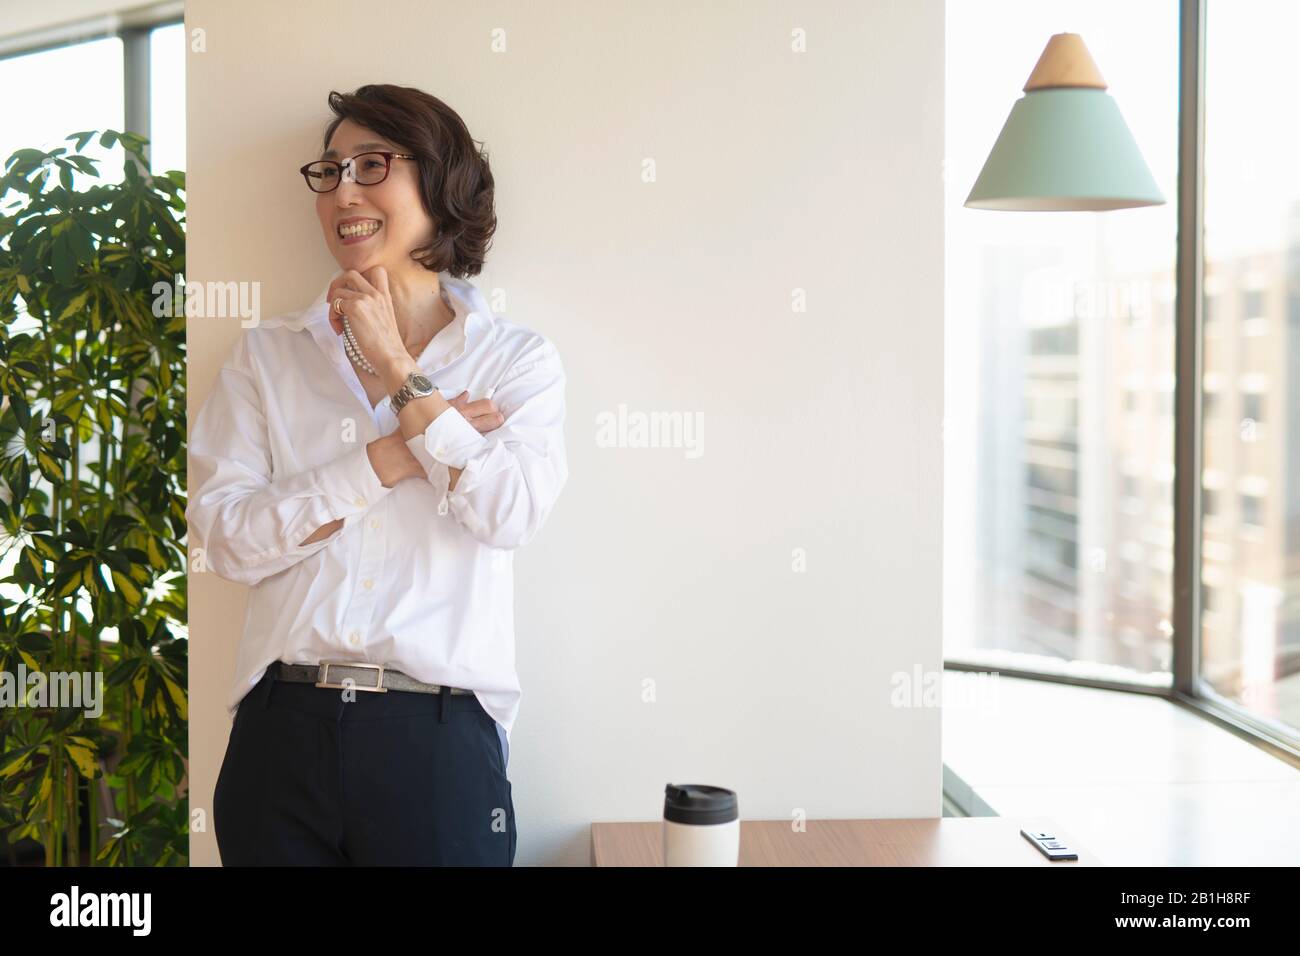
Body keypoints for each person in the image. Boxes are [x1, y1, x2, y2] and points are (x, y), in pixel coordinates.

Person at [188, 84, 568, 865]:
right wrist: (391, 457)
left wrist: (395, 366)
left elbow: (508, 515)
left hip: (439, 741)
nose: (343, 191)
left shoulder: (516, 361)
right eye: (328, 171)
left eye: (372, 165)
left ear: (440, 181)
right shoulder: (268, 357)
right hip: (279, 735)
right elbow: (227, 540)